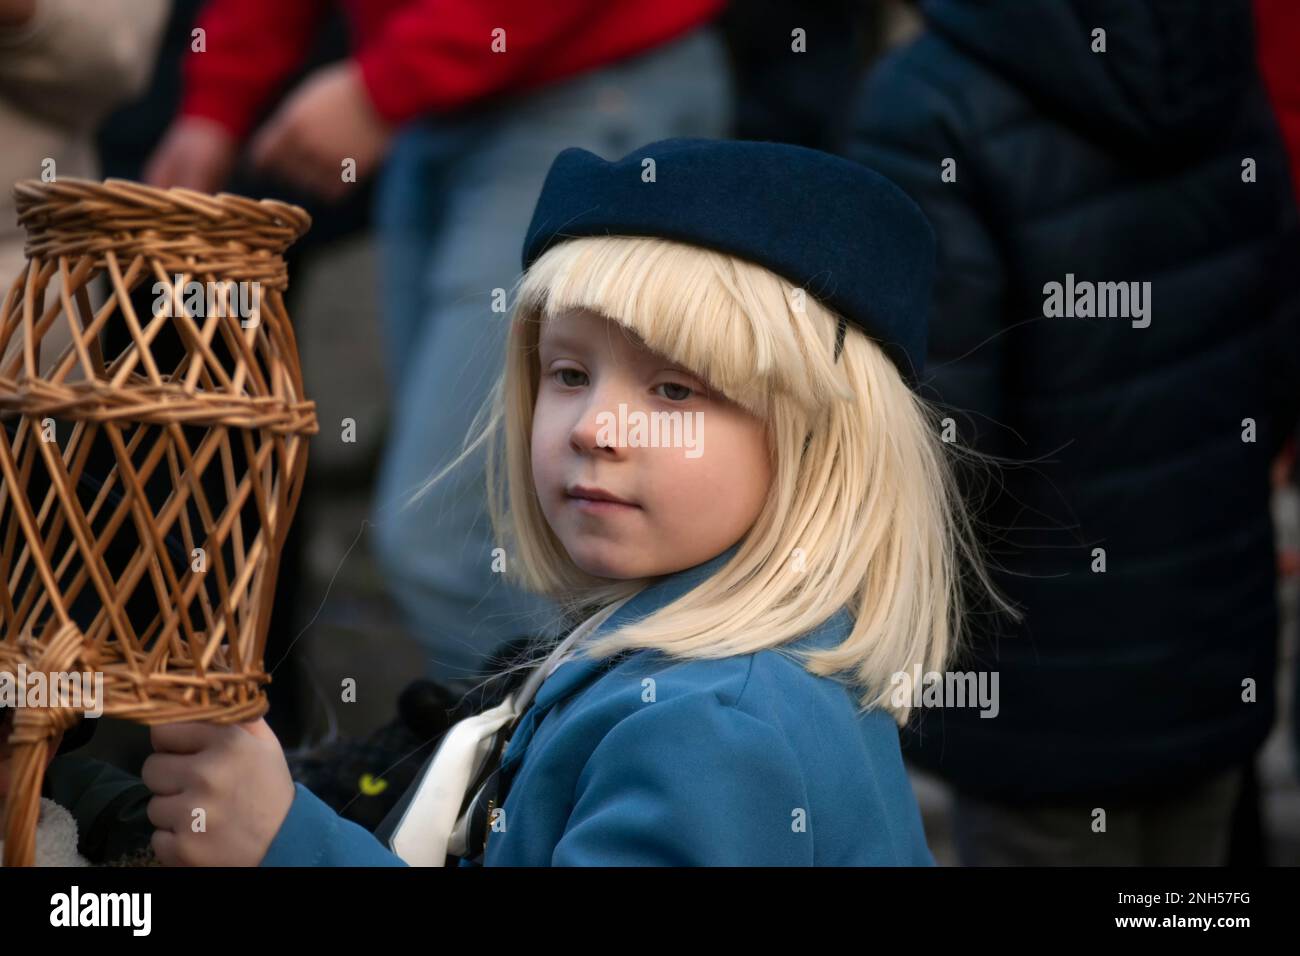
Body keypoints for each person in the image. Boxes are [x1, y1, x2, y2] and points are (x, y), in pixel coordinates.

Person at [83, 138, 1005, 866]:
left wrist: (286, 843)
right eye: (569, 372)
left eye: (675, 391)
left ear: (820, 443)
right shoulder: (684, 664)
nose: (593, 427)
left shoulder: (715, 727)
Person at [842, 0, 1300, 865]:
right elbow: (1273, 324)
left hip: (1039, 681)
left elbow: (942, 439)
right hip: (1209, 640)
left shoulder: (928, 97)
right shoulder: (1216, 38)